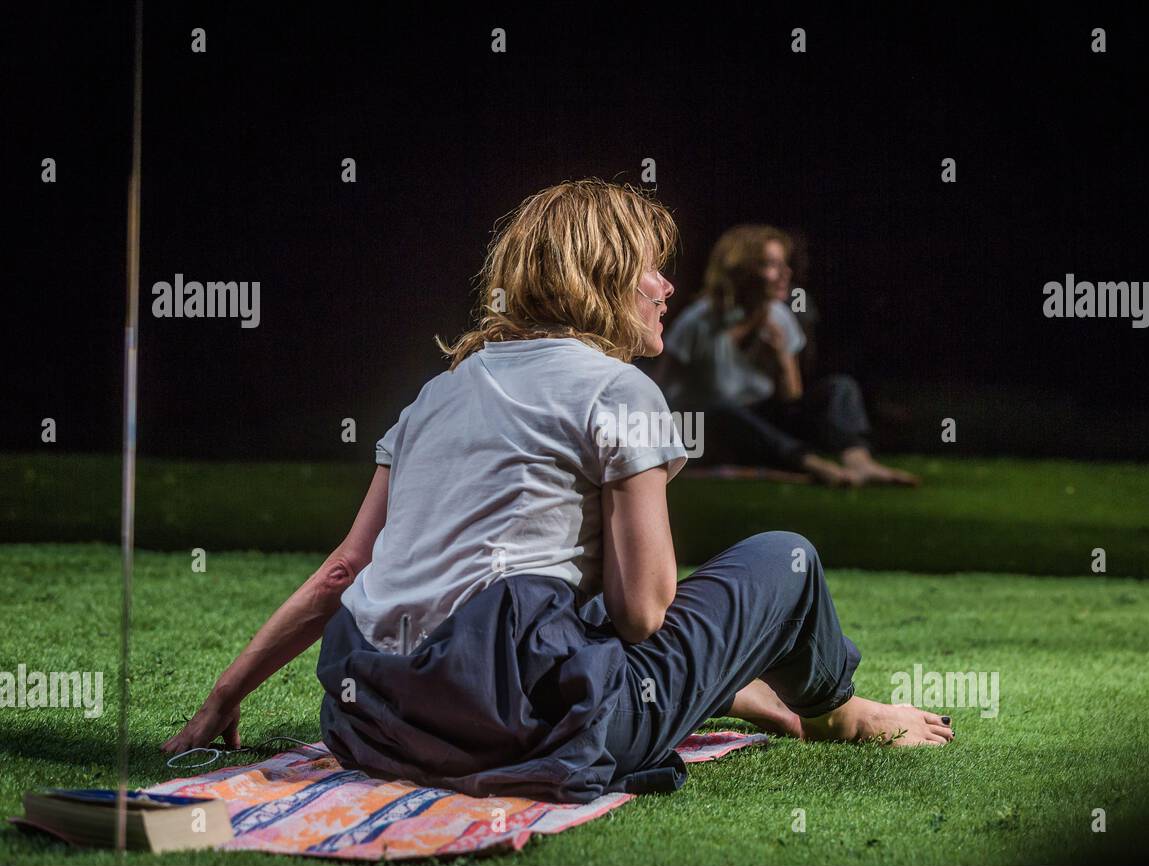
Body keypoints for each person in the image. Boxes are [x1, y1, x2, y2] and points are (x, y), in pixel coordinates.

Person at [161, 180, 950, 805]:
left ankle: (739, 693)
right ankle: (839, 711)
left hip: (376, 726)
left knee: (549, 600)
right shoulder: (621, 390)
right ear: (602, 276)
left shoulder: (437, 394)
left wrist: (224, 696)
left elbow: (344, 572)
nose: (668, 285)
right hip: (524, 727)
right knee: (788, 557)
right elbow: (643, 612)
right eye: (650, 264)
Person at [655, 224, 920, 487]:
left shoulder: (779, 316)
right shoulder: (699, 322)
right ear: (742, 270)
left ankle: (859, 462)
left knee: (840, 387)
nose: (786, 273)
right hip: (715, 429)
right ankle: (812, 464)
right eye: (771, 265)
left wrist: (782, 356)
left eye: (784, 264)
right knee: (722, 412)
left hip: (763, 422)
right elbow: (663, 391)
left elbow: (792, 397)